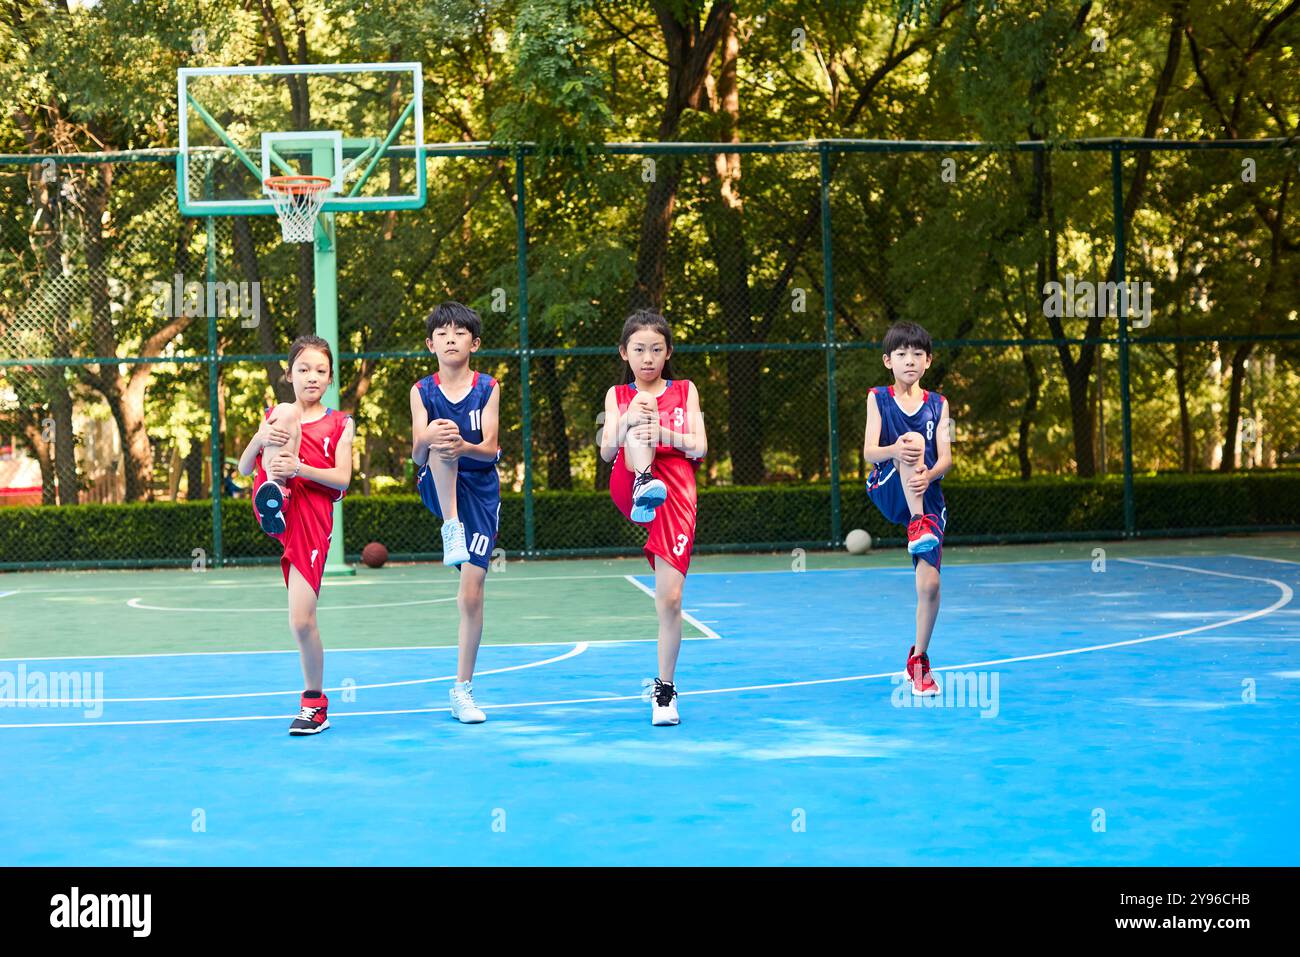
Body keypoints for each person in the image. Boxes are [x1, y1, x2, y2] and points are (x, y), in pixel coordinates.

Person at [237, 334, 354, 735]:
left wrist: (300, 468)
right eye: (303, 369)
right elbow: (240, 467)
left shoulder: (341, 423)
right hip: (277, 496)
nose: (312, 377)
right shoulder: (279, 411)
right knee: (283, 414)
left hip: (311, 520)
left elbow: (341, 482)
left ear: (331, 378)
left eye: (321, 370)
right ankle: (274, 496)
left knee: (301, 622)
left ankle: (314, 704)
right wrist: (260, 439)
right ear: (290, 374)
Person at [600, 309, 707, 726]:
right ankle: (645, 482)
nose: (648, 358)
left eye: (656, 349)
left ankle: (664, 691)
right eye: (639, 349)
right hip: (630, 480)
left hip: (675, 491)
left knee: (671, 600)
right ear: (625, 353)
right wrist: (633, 420)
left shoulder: (685, 389)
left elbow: (698, 447)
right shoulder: (618, 395)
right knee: (640, 410)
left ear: (668, 352)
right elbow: (608, 449)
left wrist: (664, 433)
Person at [410, 301, 502, 724]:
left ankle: (462, 690)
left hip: (480, 489)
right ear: (431, 344)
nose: (451, 338)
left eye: (460, 332)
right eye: (442, 333)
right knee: (439, 438)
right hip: (438, 482)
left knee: (471, 595)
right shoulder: (422, 391)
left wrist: (465, 447)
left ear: (474, 342)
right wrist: (431, 435)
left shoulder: (488, 388)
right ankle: (450, 528)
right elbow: (416, 456)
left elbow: (490, 450)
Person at [862, 320, 952, 697]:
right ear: (888, 361)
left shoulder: (939, 404)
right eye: (902, 354)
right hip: (887, 483)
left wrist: (928, 476)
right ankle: (916, 523)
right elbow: (869, 452)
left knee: (930, 586)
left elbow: (946, 458)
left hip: (926, 491)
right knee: (911, 441)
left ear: (928, 361)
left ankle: (918, 659)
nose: (910, 361)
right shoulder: (878, 398)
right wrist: (897, 451)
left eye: (917, 354)